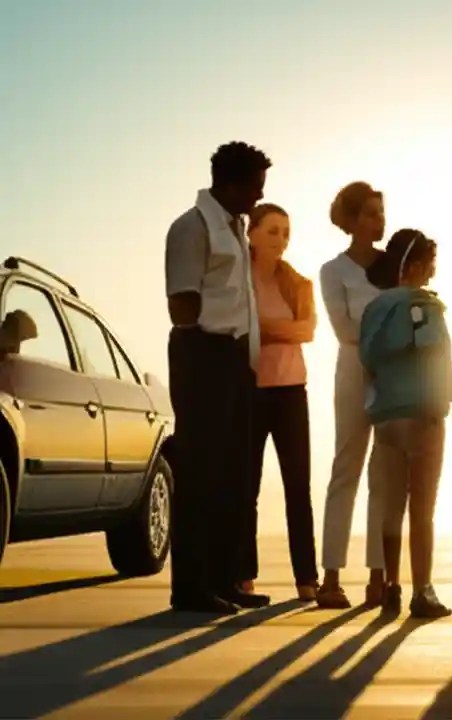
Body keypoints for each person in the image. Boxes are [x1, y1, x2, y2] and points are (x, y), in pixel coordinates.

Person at [163, 141, 273, 614]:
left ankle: (225, 580)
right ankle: (191, 587)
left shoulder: (235, 228)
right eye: (255, 187)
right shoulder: (192, 227)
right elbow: (182, 301)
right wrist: (208, 347)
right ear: (230, 184)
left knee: (233, 474)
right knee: (200, 472)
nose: (259, 196)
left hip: (234, 359)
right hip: (202, 351)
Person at [359, 229, 452, 618]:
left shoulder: (374, 308)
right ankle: (422, 591)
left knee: (391, 507)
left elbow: (368, 358)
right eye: (430, 263)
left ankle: (391, 585)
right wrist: (442, 401)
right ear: (413, 266)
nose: (433, 271)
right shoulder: (423, 306)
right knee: (423, 509)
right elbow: (432, 358)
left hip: (386, 416)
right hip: (421, 413)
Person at [239, 203, 321, 602]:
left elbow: (307, 331)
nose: (281, 239)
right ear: (251, 233)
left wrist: (264, 329)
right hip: (250, 391)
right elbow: (240, 327)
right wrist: (282, 329)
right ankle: (243, 576)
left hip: (291, 391)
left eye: (286, 232)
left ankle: (307, 579)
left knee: (297, 487)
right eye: (272, 231)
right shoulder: (236, 281)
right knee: (246, 487)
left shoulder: (298, 283)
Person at [316, 181, 392, 609]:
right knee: (346, 467)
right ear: (352, 219)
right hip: (353, 373)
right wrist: (385, 336)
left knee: (384, 473)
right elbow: (343, 328)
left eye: (382, 212)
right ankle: (331, 576)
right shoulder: (333, 270)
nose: (379, 220)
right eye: (371, 213)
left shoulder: (393, 266)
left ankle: (379, 576)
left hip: (392, 376)